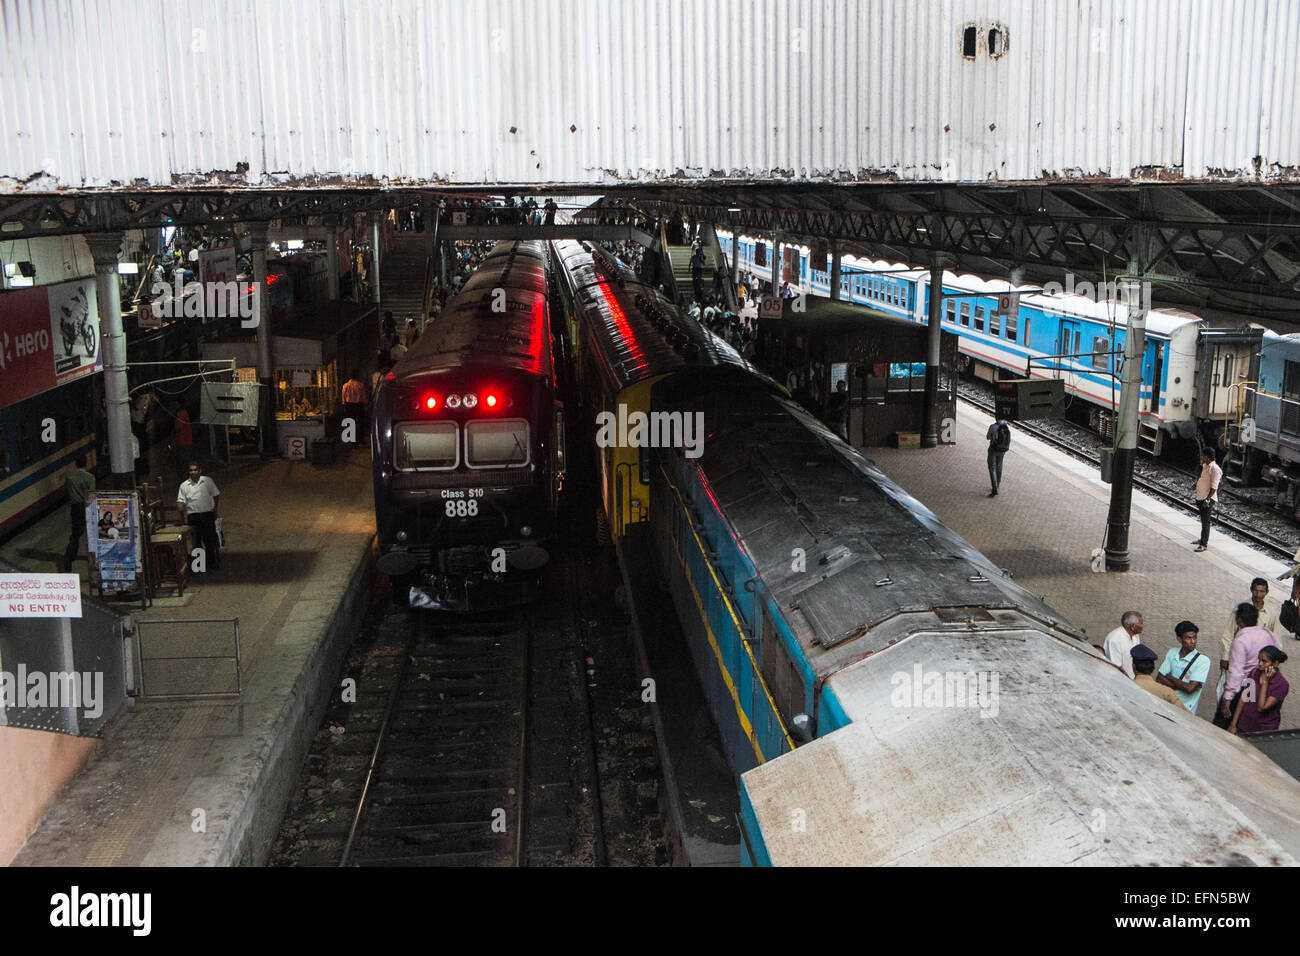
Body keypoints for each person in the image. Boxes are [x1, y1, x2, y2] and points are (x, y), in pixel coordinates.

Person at [1215, 602, 1275, 729]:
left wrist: (1227, 698)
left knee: (1222, 726)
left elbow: (1236, 672)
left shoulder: (1240, 641)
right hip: (1262, 685)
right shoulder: (1267, 634)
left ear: (1239, 620)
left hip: (1244, 688)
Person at [1221, 578, 1278, 676]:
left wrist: (1274, 661)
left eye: (1262, 591)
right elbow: (1228, 634)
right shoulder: (1240, 609)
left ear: (1266, 592)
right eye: (1256, 591)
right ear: (1251, 590)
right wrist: (1225, 657)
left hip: (1260, 662)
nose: (1258, 594)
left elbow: (1276, 639)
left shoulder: (1271, 613)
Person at [1229, 646, 1289, 734]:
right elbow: (1243, 699)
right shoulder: (1254, 673)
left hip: (1262, 732)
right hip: (1244, 725)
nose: (1260, 663)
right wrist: (1233, 724)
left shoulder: (1281, 684)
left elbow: (1262, 707)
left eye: (1264, 661)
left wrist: (1265, 682)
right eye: (1259, 660)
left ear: (1275, 663)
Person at [1156, 621, 1211, 714]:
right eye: (1188, 638)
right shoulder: (1172, 652)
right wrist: (1184, 686)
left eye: (1194, 637)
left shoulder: (1203, 660)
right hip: (1166, 704)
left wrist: (1169, 677)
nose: (1193, 641)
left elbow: (1189, 689)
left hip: (1185, 710)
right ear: (1179, 639)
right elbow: (1159, 679)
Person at [177, 463, 221, 571]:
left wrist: (215, 510)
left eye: (195, 470)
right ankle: (200, 566)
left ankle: (212, 563)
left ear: (200, 471)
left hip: (207, 514)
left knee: (209, 540)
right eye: (191, 470)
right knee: (196, 542)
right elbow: (181, 500)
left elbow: (216, 495)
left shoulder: (207, 481)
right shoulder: (184, 486)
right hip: (193, 517)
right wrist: (181, 508)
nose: (193, 472)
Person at [61, 456, 96, 572]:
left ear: (76, 464)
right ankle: (95, 559)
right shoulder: (90, 477)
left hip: (75, 508)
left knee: (75, 534)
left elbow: (66, 492)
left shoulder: (70, 478)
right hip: (87, 507)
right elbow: (92, 495)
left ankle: (68, 560)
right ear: (85, 464)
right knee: (92, 533)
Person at [1192, 448, 1222, 552]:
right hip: (1201, 497)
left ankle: (1204, 544)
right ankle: (1202, 539)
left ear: (1207, 457)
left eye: (1203, 456)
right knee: (1203, 520)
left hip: (1207, 499)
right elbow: (1203, 478)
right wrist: (1196, 485)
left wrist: (1207, 500)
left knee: (1206, 522)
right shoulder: (1205, 466)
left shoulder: (1215, 469)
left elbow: (1214, 488)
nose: (1202, 458)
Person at [1104, 611, 1144, 679]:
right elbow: (1116, 667)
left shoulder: (1135, 636)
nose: (1143, 626)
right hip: (1120, 681)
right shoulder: (1114, 639)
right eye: (1141, 623)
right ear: (1133, 627)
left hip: (1134, 681)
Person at [985, 418, 1012, 496]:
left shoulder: (993, 426)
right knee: (999, 466)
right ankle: (998, 484)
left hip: (993, 449)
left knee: (992, 468)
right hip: (1003, 450)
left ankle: (994, 488)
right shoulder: (1006, 426)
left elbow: (987, 437)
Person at [341, 369, 368, 442]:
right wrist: (365, 405)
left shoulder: (345, 386)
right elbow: (364, 397)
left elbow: (343, 398)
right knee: (360, 423)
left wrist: (344, 406)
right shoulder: (360, 385)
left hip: (349, 405)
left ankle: (353, 441)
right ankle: (361, 439)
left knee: (351, 423)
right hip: (359, 405)